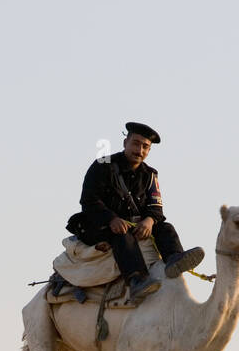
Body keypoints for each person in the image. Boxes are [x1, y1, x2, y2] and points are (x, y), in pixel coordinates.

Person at [68, 122, 204, 302]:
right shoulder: (103, 166)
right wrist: (111, 219)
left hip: (135, 225)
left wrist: (149, 221)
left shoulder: (150, 175)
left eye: (145, 147)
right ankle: (136, 281)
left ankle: (174, 259)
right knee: (123, 236)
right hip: (100, 226)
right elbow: (89, 200)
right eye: (136, 143)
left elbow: (156, 208)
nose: (140, 150)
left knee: (165, 227)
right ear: (125, 142)